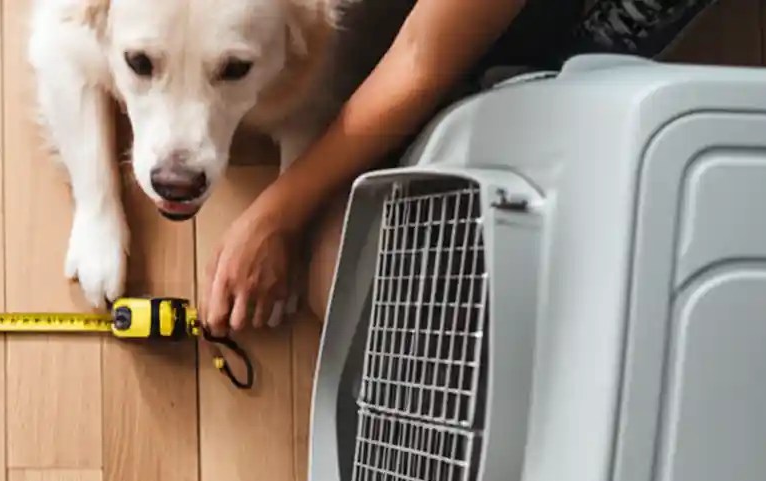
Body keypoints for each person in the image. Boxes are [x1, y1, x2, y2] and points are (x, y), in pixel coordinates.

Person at [200, 0, 716, 333]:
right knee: (350, 282)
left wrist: (274, 215)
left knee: (345, 283)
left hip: (506, 38)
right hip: (437, 37)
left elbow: (421, 58)